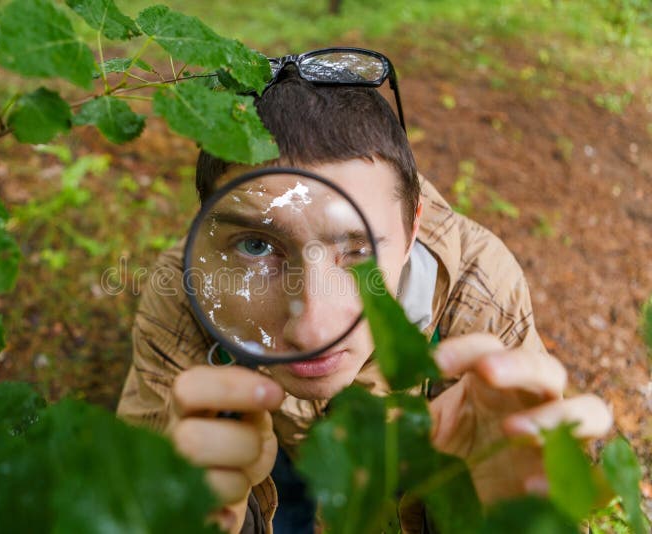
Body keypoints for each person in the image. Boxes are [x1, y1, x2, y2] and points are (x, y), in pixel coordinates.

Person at [116, 48, 613, 533]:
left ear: (412, 229)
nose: (313, 328)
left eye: (356, 250)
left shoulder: (479, 288)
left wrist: (490, 515)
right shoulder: (184, 290)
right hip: (271, 462)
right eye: (255, 244)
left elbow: (523, 480)